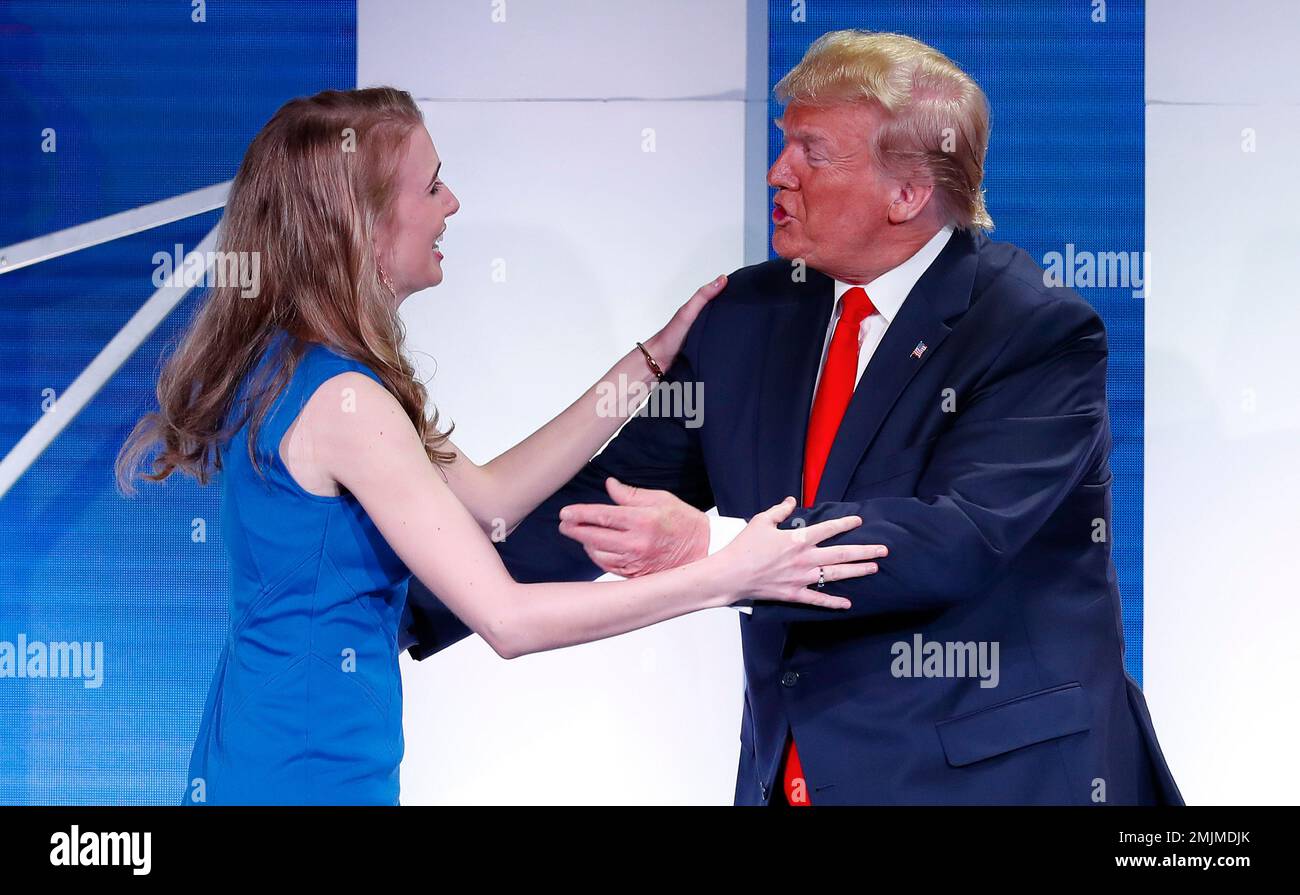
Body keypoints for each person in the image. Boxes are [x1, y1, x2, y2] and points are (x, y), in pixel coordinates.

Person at [404, 30, 1184, 806]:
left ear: (907, 192)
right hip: (796, 775)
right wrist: (399, 602)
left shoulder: (1032, 330)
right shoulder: (748, 314)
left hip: (1000, 781)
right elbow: (608, 499)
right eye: (784, 145)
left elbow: (953, 540)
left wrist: (711, 544)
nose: (778, 173)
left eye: (812, 152)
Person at [114, 86, 883, 806]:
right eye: (431, 187)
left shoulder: (299, 365)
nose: (452, 204)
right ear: (365, 223)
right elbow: (509, 620)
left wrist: (645, 361)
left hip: (260, 749)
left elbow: (491, 499)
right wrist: (727, 574)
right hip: (307, 768)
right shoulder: (349, 403)